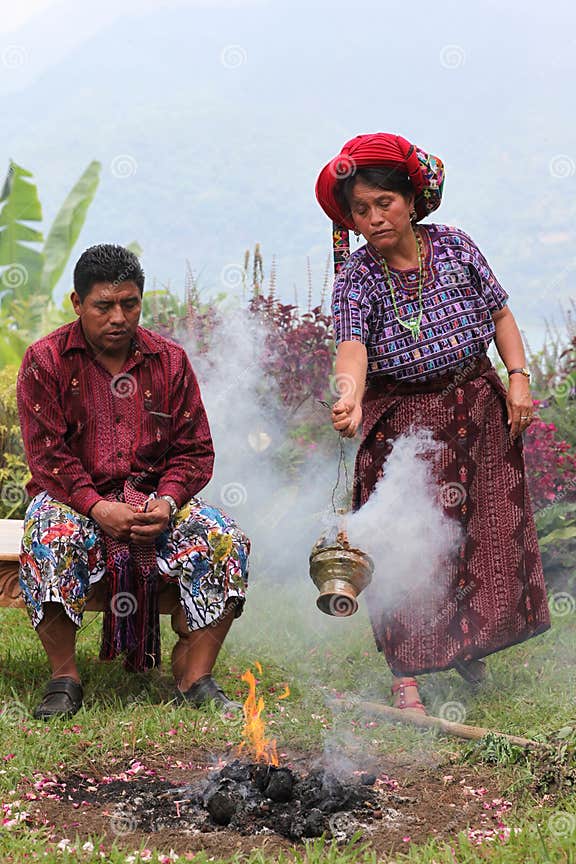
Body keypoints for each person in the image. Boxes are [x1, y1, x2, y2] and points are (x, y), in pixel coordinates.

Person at [315, 133, 550, 713]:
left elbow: (499, 313)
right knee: (405, 543)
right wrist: (348, 397)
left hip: (477, 409)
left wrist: (517, 376)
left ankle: (466, 643)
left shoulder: (456, 246)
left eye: (384, 204)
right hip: (404, 424)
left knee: (480, 535)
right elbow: (352, 349)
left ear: (412, 201)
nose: (373, 219)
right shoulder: (358, 277)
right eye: (361, 210)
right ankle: (407, 671)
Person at [17, 244, 249, 720]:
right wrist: (97, 507)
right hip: (69, 497)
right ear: (77, 303)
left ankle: (195, 675)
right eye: (104, 305)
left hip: (152, 500)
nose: (118, 316)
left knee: (227, 538)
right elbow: (47, 456)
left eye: (130, 303)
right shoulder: (46, 361)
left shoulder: (170, 361)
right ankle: (65, 677)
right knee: (48, 536)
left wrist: (166, 501)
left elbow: (195, 450)